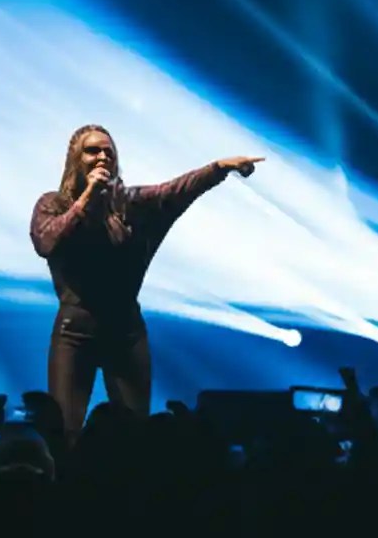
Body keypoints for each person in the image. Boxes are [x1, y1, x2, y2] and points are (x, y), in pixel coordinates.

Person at [29, 124, 263, 443]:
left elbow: (178, 189)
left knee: (135, 433)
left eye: (108, 151)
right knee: (63, 433)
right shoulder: (52, 204)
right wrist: (86, 199)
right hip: (74, 332)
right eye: (92, 150)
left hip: (126, 332)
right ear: (75, 159)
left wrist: (219, 168)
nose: (102, 156)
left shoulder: (134, 205)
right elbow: (47, 243)